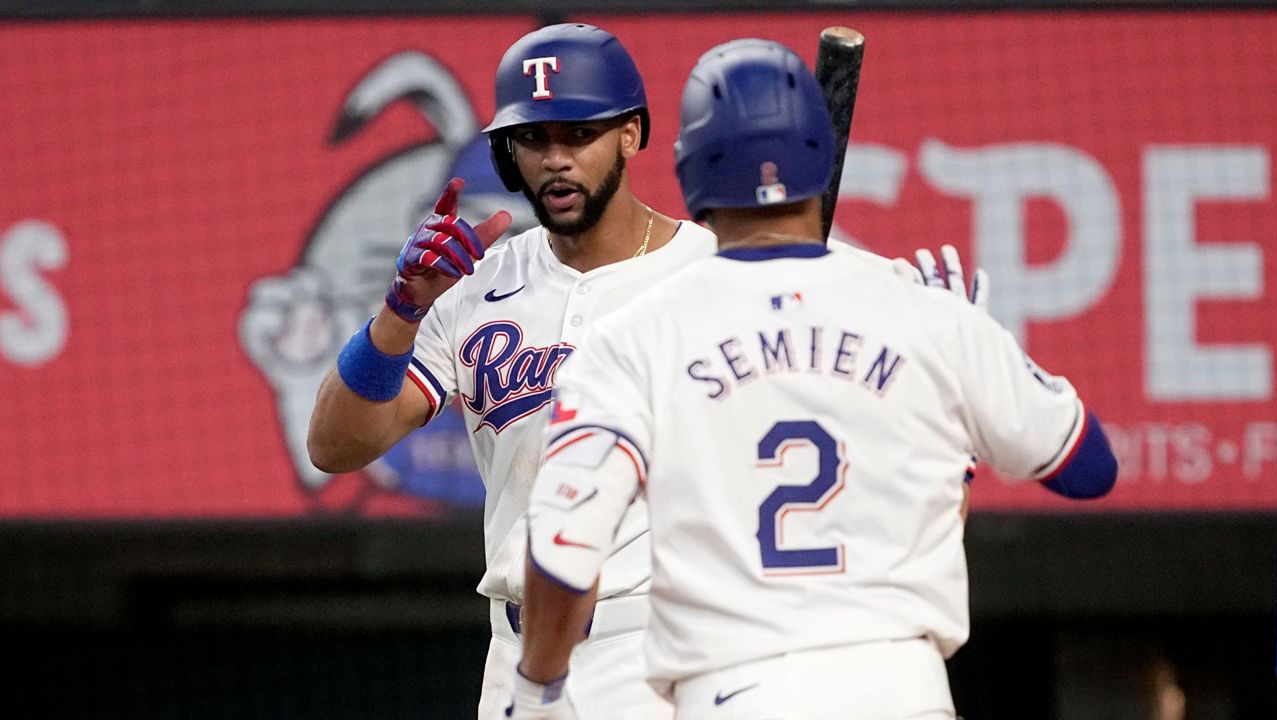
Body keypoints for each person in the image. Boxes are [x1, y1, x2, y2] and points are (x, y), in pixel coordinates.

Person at [308, 23, 982, 719]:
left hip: (664, 649)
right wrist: (400, 312)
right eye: (534, 139)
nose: (556, 160)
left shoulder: (724, 269)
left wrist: (939, 357)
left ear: (631, 134)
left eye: (579, 134)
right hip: (516, 653)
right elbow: (335, 447)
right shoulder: (477, 286)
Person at [516, 38, 1117, 720]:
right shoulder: (926, 314)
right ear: (822, 160)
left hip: (732, 690)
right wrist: (968, 405)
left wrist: (536, 691)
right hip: (902, 686)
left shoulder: (634, 336)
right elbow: (1089, 466)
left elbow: (563, 551)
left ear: (689, 167)